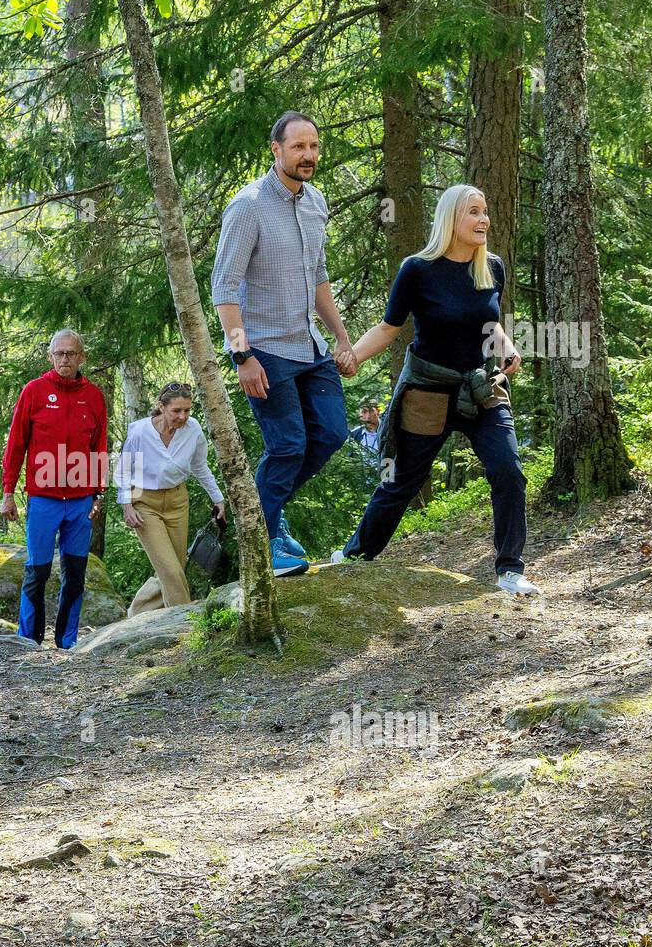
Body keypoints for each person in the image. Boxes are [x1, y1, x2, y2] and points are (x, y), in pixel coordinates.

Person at [331, 184, 539, 596]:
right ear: (451, 219)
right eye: (474, 212)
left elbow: (489, 324)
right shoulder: (417, 270)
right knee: (401, 481)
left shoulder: (492, 267)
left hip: (481, 388)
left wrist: (507, 346)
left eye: (486, 212)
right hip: (428, 391)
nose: (484, 220)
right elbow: (390, 329)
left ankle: (510, 570)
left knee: (508, 471)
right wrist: (352, 357)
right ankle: (353, 556)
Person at [211, 110, 357, 576]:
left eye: (313, 146)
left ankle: (266, 517)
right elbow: (225, 288)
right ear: (276, 150)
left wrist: (341, 335)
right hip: (265, 350)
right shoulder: (248, 204)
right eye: (298, 147)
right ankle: (263, 544)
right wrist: (242, 355)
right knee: (288, 446)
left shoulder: (316, 202)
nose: (308, 155)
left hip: (310, 347)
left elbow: (318, 277)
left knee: (333, 433)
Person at [0, 329, 107, 649]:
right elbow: (16, 445)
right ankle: (28, 641)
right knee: (38, 571)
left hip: (80, 500)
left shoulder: (94, 395)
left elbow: (99, 447)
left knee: (75, 574)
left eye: (71, 354)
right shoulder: (34, 391)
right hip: (44, 498)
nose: (64, 359)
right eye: (59, 354)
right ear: (50, 357)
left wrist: (99, 493)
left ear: (81, 357)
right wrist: (8, 492)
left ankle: (66, 642)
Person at [114, 382, 225, 607]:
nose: (182, 416)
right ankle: (183, 623)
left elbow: (200, 466)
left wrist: (218, 498)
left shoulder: (193, 429)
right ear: (162, 407)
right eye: (176, 410)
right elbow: (124, 470)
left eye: (187, 410)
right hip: (145, 503)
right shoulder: (140, 432)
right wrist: (127, 505)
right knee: (171, 571)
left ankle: (139, 614)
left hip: (177, 502)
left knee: (173, 567)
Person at [349, 398, 382, 474]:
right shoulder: (355, 434)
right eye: (364, 412)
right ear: (359, 414)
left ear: (378, 411)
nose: (368, 416)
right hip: (363, 482)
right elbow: (350, 461)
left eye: (371, 411)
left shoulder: (389, 431)